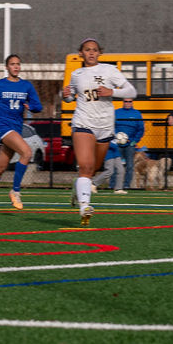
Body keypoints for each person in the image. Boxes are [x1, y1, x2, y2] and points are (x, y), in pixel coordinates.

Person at [63, 38, 136, 225]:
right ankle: (84, 207)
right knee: (86, 167)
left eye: (94, 50)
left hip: (105, 126)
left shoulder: (109, 70)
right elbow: (70, 97)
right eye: (87, 50)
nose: (91, 53)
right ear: (81, 53)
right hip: (83, 123)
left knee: (93, 169)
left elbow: (131, 92)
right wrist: (64, 95)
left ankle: (77, 189)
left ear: (99, 52)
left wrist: (111, 92)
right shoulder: (76, 74)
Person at [0, 54, 44, 215]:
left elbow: (38, 106)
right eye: (12, 64)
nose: (16, 67)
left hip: (16, 128)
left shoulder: (26, 86)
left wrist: (31, 106)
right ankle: (15, 191)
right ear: (7, 67)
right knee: (26, 152)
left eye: (18, 64)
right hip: (3, 127)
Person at [92, 96, 145, 193]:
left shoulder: (137, 114)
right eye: (126, 101)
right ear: (123, 102)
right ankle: (111, 185)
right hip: (115, 144)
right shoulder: (116, 112)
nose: (127, 103)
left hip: (129, 144)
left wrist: (134, 141)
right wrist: (117, 137)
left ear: (132, 102)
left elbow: (140, 129)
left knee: (128, 166)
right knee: (112, 169)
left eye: (129, 101)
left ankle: (123, 186)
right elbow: (111, 127)